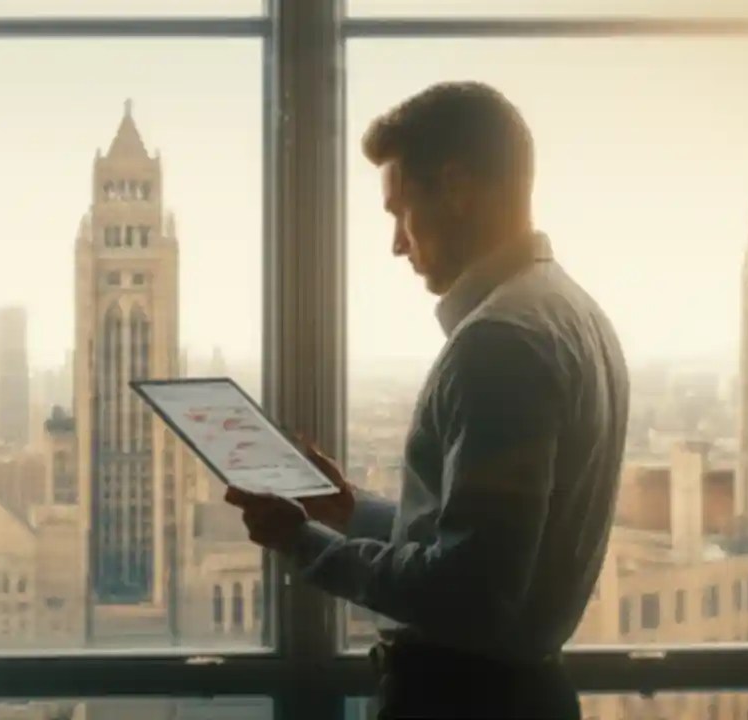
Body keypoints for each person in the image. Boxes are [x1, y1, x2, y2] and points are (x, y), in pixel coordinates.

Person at [225, 81, 629, 719]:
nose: (396, 243)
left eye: (399, 211)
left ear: (458, 189)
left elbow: (468, 591)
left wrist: (306, 543)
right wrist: (351, 510)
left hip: (465, 703)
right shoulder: (571, 313)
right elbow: (483, 545)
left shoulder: (501, 343)